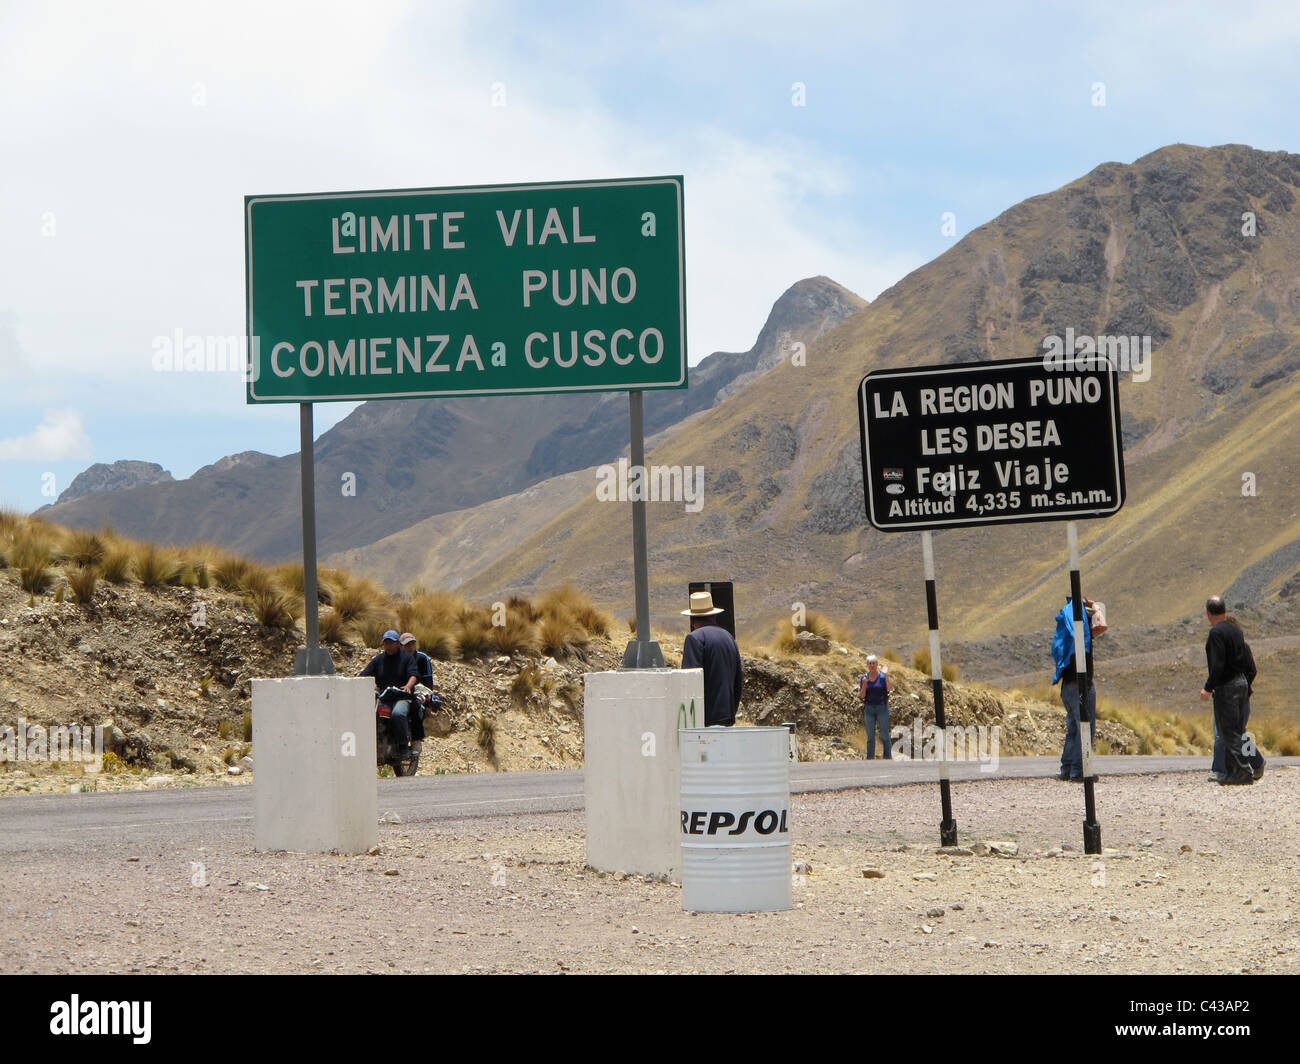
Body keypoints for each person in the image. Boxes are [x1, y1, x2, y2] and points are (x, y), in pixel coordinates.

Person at [1200, 597, 1258, 786]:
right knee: (1239, 732)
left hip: (1228, 687)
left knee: (1225, 733)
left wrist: (1209, 687)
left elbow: (1217, 665)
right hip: (1242, 687)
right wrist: (1245, 685)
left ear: (1208, 613)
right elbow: (1251, 668)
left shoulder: (1217, 633)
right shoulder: (1237, 632)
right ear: (1225, 609)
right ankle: (1256, 763)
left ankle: (1227, 771)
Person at [1051, 596, 1102, 782]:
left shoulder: (1066, 632)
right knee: (1085, 728)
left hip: (1067, 686)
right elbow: (1102, 625)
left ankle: (1066, 768)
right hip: (1081, 686)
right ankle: (1079, 770)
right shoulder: (1083, 631)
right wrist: (1095, 607)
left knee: (1073, 728)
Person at [681, 591, 743, 727]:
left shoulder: (694, 638)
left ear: (692, 619)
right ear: (714, 615)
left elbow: (690, 680)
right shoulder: (728, 637)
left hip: (705, 719)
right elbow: (738, 680)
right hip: (727, 717)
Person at [360, 629, 419, 758]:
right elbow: (364, 674)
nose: (389, 646)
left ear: (398, 643)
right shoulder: (379, 660)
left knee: (397, 714)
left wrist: (408, 686)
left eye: (391, 643)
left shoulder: (407, 658)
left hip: (402, 697)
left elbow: (413, 674)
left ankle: (403, 746)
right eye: (386, 643)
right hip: (384, 697)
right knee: (372, 717)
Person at [858, 655, 893, 759]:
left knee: (884, 734)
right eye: (870, 663)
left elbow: (890, 688)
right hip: (869, 709)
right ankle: (870, 758)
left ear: (877, 664)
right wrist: (864, 684)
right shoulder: (864, 678)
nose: (872, 665)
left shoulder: (882, 677)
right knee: (870, 735)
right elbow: (862, 695)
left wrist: (886, 675)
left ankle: (887, 757)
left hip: (882, 708)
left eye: (874, 663)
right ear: (867, 665)